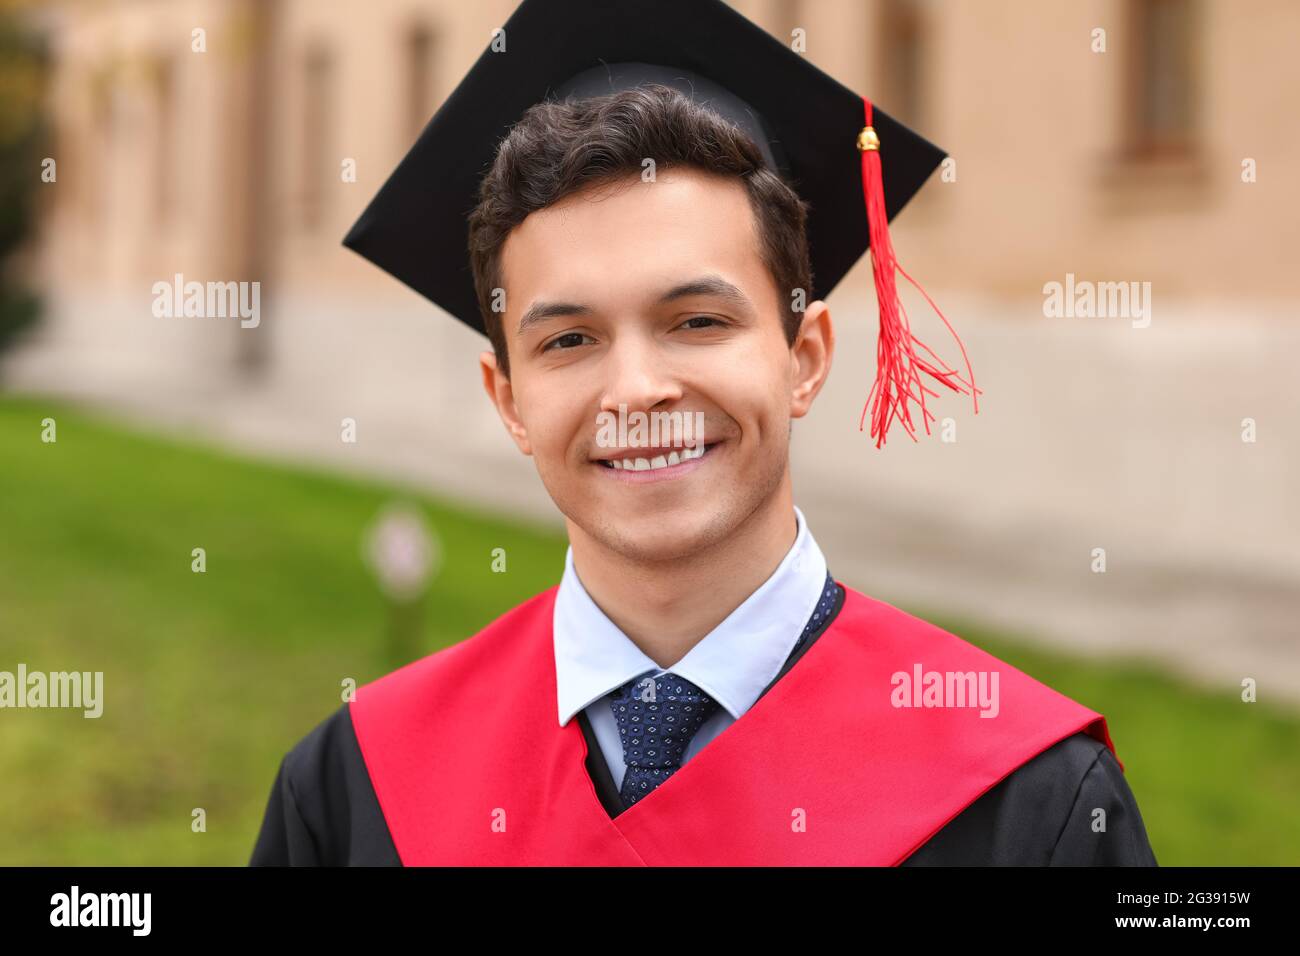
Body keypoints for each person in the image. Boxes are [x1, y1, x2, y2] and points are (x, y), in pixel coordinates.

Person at [250, 0, 1157, 866]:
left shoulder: (1029, 802)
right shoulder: (354, 790)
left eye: (698, 321)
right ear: (509, 399)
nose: (637, 391)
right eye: (569, 340)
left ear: (803, 356)